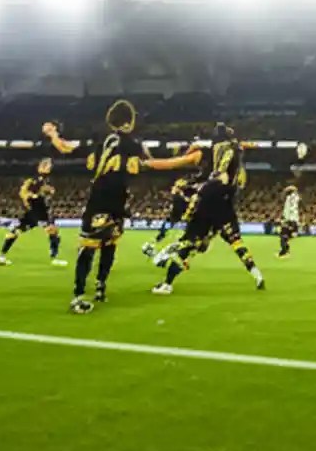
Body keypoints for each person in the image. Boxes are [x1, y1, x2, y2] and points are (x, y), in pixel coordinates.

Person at [44, 100, 201, 314]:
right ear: (130, 121)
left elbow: (65, 147)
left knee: (88, 248)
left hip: (97, 200)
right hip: (117, 203)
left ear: (111, 121)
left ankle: (79, 295)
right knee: (109, 245)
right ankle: (100, 285)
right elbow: (155, 164)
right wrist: (188, 159)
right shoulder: (133, 143)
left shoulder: (99, 141)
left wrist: (53, 134)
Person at [152, 123, 265, 295]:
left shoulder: (211, 157)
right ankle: (257, 275)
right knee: (236, 242)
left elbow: (211, 180)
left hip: (209, 204)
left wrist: (191, 204)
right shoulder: (235, 153)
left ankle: (167, 281)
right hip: (226, 205)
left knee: (189, 246)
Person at [0, 158, 68, 267]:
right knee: (52, 231)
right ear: (40, 167)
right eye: (46, 165)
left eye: (49, 165)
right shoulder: (33, 180)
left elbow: (47, 192)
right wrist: (32, 198)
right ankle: (54, 258)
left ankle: (1, 256)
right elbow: (23, 192)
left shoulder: (45, 180)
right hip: (37, 210)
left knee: (17, 231)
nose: (49, 167)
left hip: (39, 210)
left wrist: (48, 192)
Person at [277, 185, 301, 258]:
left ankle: (284, 252)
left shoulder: (289, 198)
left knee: (283, 236)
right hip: (294, 220)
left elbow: (286, 210)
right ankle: (286, 250)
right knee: (286, 237)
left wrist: (286, 189)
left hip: (289, 220)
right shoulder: (296, 197)